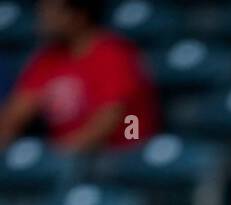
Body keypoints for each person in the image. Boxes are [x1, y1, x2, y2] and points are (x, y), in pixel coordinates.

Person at [0, 0, 159, 152]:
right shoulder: (47, 59)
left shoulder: (114, 54)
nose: (43, 19)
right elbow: (16, 113)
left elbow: (109, 120)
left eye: (51, 12)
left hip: (118, 152)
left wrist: (58, 156)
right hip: (68, 157)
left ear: (79, 15)